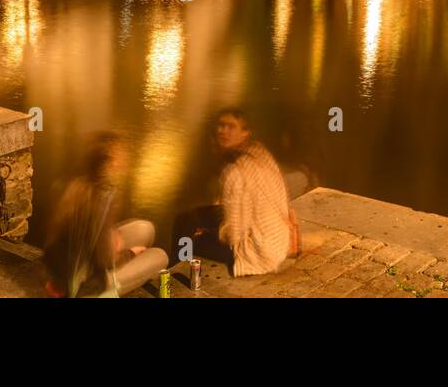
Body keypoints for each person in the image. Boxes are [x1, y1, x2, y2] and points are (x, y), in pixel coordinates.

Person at [171, 109, 296, 278]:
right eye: (221, 125)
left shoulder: (234, 172)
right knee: (188, 217)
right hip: (279, 239)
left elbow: (235, 234)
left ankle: (175, 276)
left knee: (188, 237)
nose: (223, 131)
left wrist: (209, 233)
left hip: (259, 252)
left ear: (245, 133)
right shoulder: (259, 153)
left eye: (231, 127)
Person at [42, 133, 169, 298]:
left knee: (145, 228)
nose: (125, 161)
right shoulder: (99, 201)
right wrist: (130, 253)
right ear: (110, 163)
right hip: (84, 287)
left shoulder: (81, 186)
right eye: (121, 157)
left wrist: (111, 237)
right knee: (159, 256)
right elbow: (104, 262)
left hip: (62, 273)